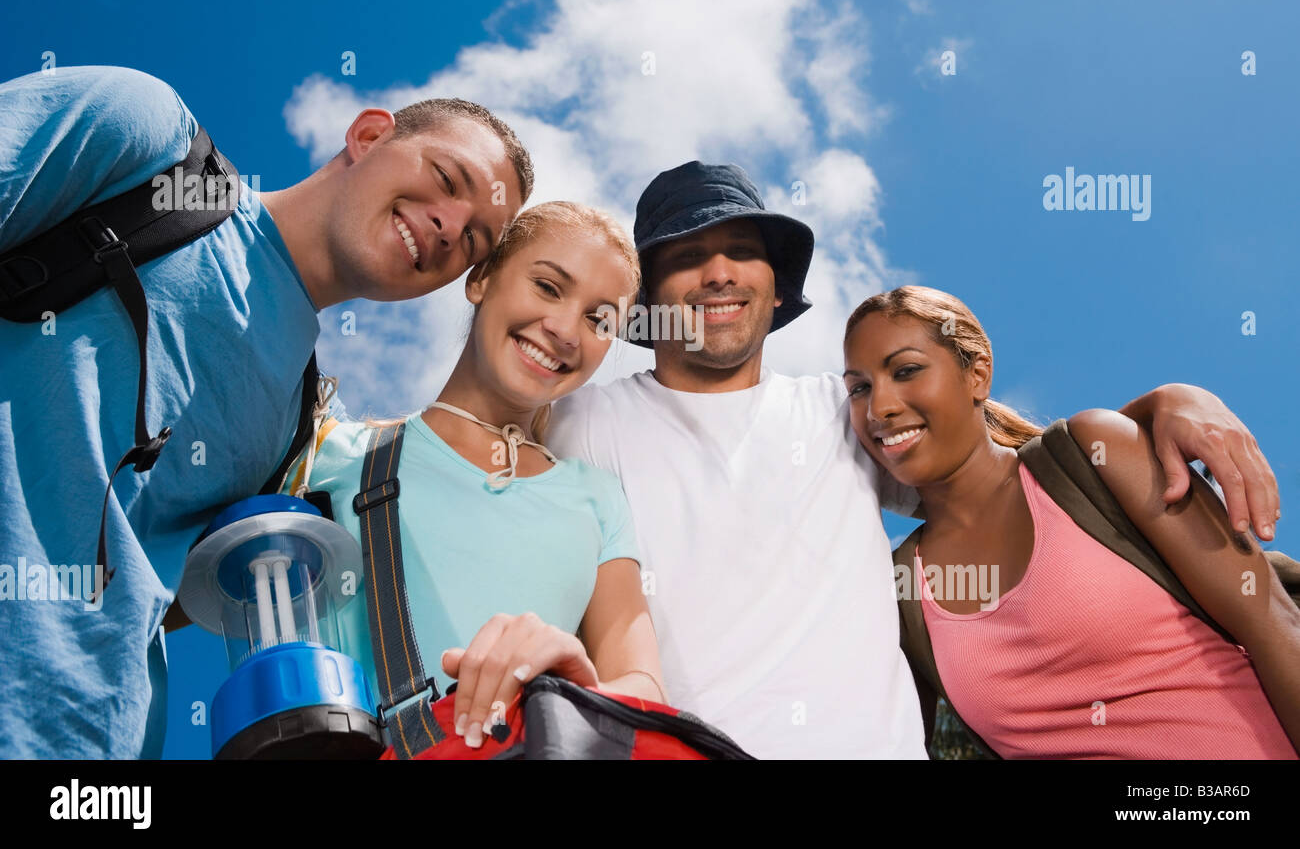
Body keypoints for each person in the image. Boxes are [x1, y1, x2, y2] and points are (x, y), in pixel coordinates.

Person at [544, 160, 1284, 759]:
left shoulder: (842, 412)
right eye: (686, 256)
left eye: (743, 250)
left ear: (775, 285)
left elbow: (1005, 467)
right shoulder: (579, 422)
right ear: (645, 299)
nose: (719, 273)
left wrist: (1172, 400)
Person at [0, 65, 532, 758]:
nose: (450, 226)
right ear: (369, 136)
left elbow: (159, 590)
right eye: (447, 178)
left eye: (475, 241)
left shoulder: (296, 429)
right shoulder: (147, 141)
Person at [843, 285, 1297, 759]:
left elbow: (1274, 626)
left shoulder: (1091, 455)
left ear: (977, 374)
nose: (880, 408)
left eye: (907, 370)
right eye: (859, 388)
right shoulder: (901, 585)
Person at [293, 201, 664, 752]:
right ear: (481, 280)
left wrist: (577, 672)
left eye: (598, 319)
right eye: (547, 286)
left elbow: (644, 691)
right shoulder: (332, 455)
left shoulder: (597, 497)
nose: (566, 330)